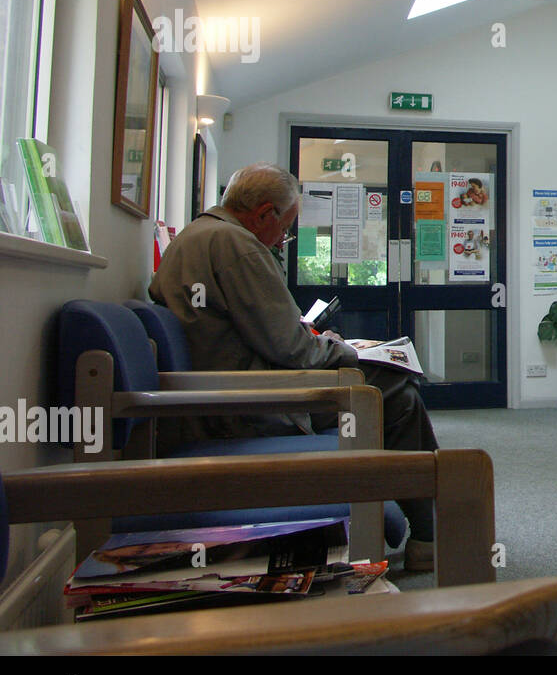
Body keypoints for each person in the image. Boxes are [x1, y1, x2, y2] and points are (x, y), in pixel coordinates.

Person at [149, 162, 440, 571]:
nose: (284, 239)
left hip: (223, 391)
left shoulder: (197, 234)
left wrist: (321, 344)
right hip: (250, 402)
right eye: (285, 226)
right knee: (399, 387)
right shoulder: (240, 246)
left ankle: (426, 530)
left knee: (392, 390)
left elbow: (269, 334)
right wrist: (349, 352)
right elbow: (292, 350)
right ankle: (429, 534)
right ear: (264, 213)